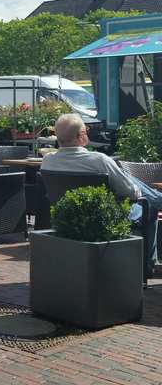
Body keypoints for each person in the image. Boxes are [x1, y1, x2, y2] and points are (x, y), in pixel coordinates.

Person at [42, 113, 162, 278]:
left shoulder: (48, 160)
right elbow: (132, 193)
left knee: (132, 181)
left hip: (69, 217)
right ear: (81, 136)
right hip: (108, 217)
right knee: (150, 207)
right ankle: (148, 267)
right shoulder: (99, 160)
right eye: (86, 130)